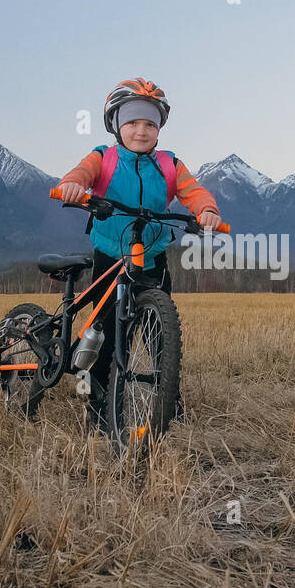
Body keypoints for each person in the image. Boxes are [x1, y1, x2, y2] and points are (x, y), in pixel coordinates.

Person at [54, 77, 222, 432]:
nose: (141, 131)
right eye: (131, 122)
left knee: (159, 332)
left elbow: (194, 191)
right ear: (115, 125)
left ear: (159, 128)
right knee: (104, 331)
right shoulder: (104, 157)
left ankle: (167, 399)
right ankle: (96, 403)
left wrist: (207, 210)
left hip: (152, 255)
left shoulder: (168, 164)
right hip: (111, 254)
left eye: (150, 123)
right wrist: (73, 184)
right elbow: (83, 173)